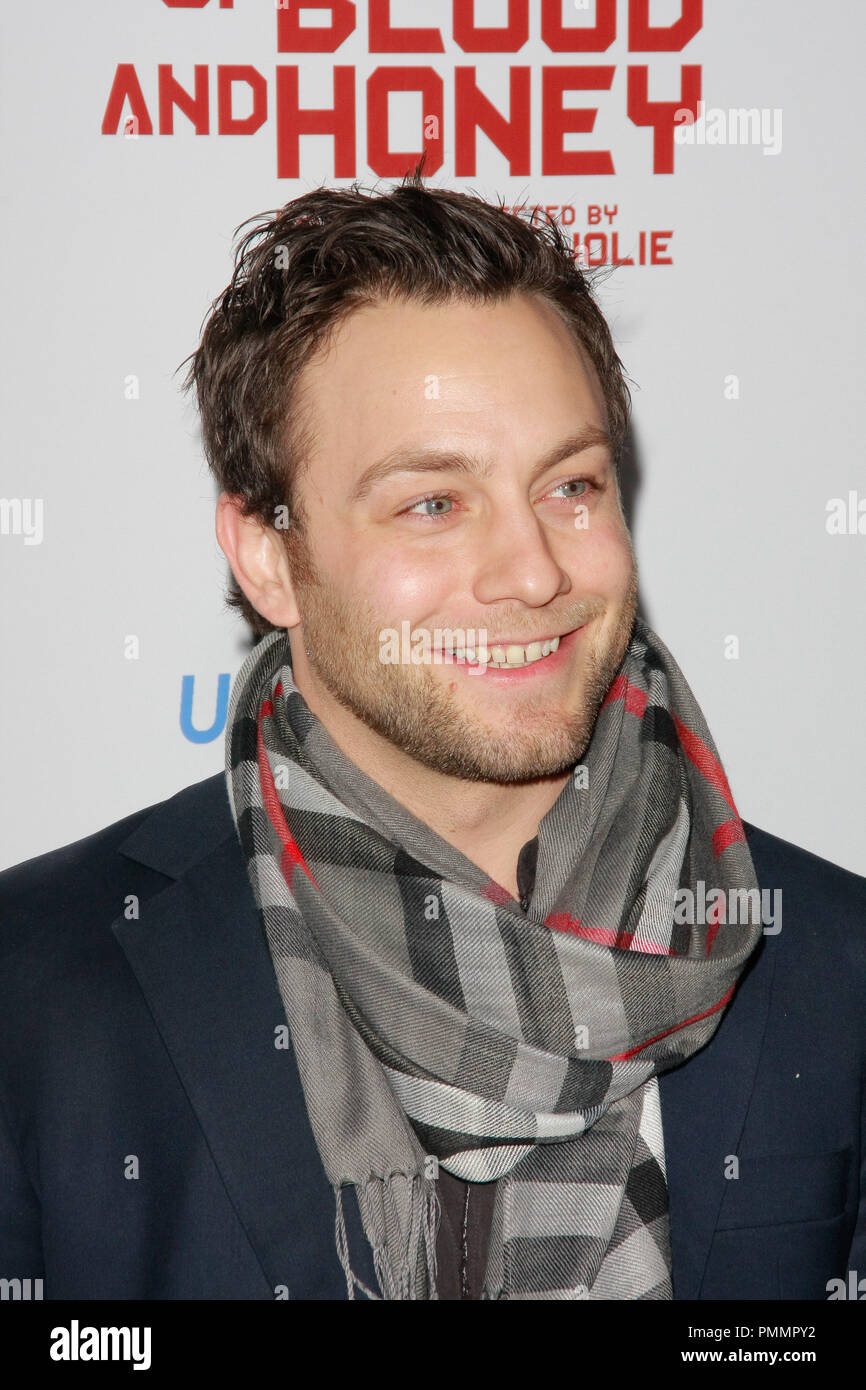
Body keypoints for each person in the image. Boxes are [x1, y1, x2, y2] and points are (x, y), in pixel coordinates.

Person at [1, 167, 864, 1302]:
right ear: (268, 554)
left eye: (570, 485)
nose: (534, 572)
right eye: (431, 503)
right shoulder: (37, 988)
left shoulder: (834, 967)